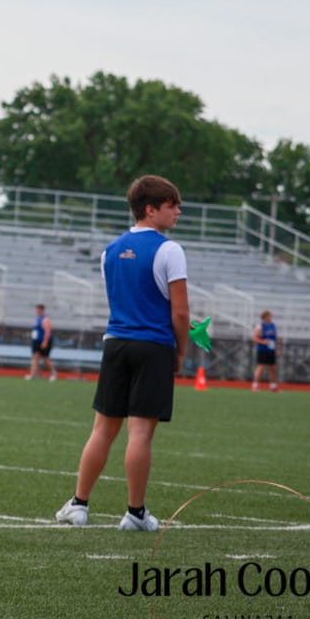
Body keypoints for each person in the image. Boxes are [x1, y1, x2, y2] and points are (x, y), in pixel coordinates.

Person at [56, 175, 188, 532]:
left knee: (103, 428)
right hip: (153, 345)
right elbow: (179, 312)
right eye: (171, 205)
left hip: (115, 343)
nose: (178, 211)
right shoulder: (170, 250)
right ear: (150, 209)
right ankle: (135, 512)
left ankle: (79, 503)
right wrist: (181, 350)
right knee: (140, 433)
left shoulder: (109, 251)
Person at [251, 311, 280, 391]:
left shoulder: (273, 325)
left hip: (271, 349)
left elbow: (276, 338)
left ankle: (273, 386)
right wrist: (263, 342)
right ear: (265, 317)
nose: (270, 318)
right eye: (269, 316)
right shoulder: (260, 326)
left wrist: (278, 348)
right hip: (262, 349)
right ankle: (255, 385)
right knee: (261, 367)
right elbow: (254, 338)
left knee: (273, 368)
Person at [29, 303, 57, 380]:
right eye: (36, 309)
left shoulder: (45, 319)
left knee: (45, 359)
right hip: (36, 341)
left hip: (43, 341)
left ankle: (53, 372)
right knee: (35, 357)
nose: (37, 311)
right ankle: (33, 374)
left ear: (42, 310)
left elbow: (48, 331)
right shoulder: (37, 319)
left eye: (39, 309)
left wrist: (45, 341)